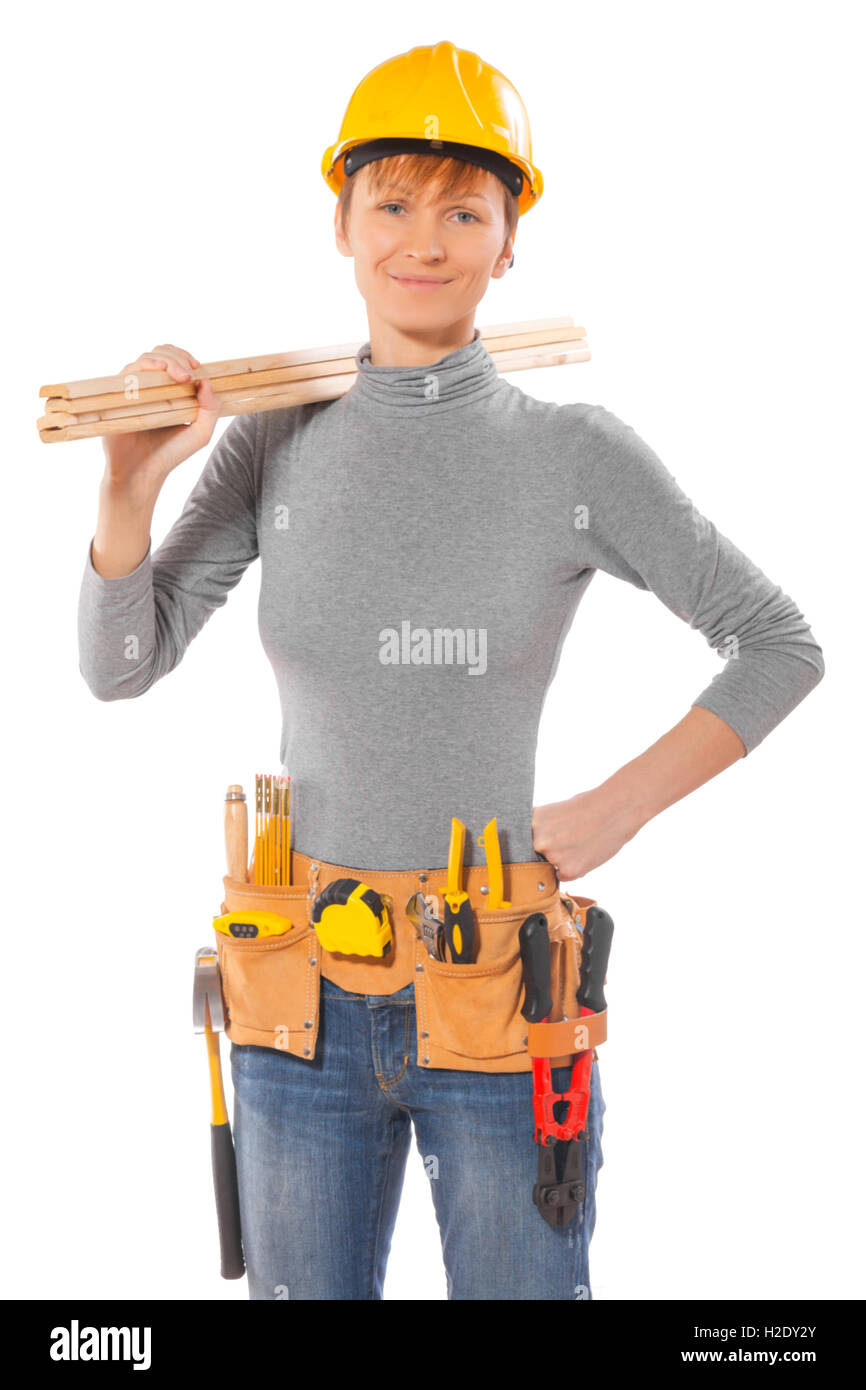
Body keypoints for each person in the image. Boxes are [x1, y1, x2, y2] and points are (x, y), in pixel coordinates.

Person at [77, 42, 824, 1300]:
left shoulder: (569, 451)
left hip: (500, 993)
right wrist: (127, 481)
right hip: (295, 991)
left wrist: (617, 806)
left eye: (463, 209)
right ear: (341, 219)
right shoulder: (274, 434)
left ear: (508, 237)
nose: (422, 241)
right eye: (392, 202)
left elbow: (778, 642)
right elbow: (121, 664)